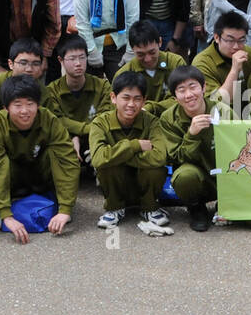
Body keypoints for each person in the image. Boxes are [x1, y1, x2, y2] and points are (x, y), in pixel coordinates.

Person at [0, 74, 79, 242]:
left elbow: (67, 161)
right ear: (5, 108)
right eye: (17, 105)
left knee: (56, 153)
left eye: (30, 104)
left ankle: (55, 200)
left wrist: (65, 210)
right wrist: (6, 215)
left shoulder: (49, 119)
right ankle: (1, 206)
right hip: (13, 177)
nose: (24, 111)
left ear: (38, 105)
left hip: (40, 174)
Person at [89, 70, 172, 235]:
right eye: (125, 98)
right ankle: (115, 208)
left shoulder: (152, 122)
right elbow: (98, 159)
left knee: (155, 168)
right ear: (113, 98)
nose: (131, 104)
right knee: (106, 166)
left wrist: (117, 155)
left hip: (145, 183)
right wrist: (134, 146)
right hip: (116, 184)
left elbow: (160, 157)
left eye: (137, 99)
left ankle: (149, 207)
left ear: (144, 101)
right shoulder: (100, 123)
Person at [156, 65, 223, 232]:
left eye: (193, 87)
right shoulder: (168, 119)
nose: (189, 95)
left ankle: (225, 204)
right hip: (197, 177)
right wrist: (192, 134)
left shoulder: (222, 111)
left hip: (226, 174)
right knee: (184, 176)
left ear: (204, 87)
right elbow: (177, 158)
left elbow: (240, 147)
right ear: (174, 96)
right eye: (181, 90)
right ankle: (196, 208)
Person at [43, 34, 113, 162]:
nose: (78, 63)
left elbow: (106, 116)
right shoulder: (52, 91)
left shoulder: (102, 86)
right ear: (61, 60)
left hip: (97, 137)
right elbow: (57, 120)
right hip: (66, 140)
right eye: (72, 59)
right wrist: (76, 136)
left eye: (82, 58)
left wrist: (84, 134)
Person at [0, 37, 52, 131]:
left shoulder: (42, 91)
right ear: (11, 64)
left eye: (35, 64)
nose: (29, 69)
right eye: (23, 63)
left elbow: (51, 120)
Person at [191, 10, 251, 103]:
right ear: (217, 37)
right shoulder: (202, 62)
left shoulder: (249, 53)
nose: (236, 46)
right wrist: (235, 70)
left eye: (241, 40)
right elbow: (216, 103)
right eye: (230, 40)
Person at [115, 20, 184, 116]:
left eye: (152, 52)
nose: (147, 59)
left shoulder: (175, 63)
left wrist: (150, 107)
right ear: (132, 48)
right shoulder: (124, 73)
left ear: (160, 42)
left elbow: (183, 98)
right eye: (140, 54)